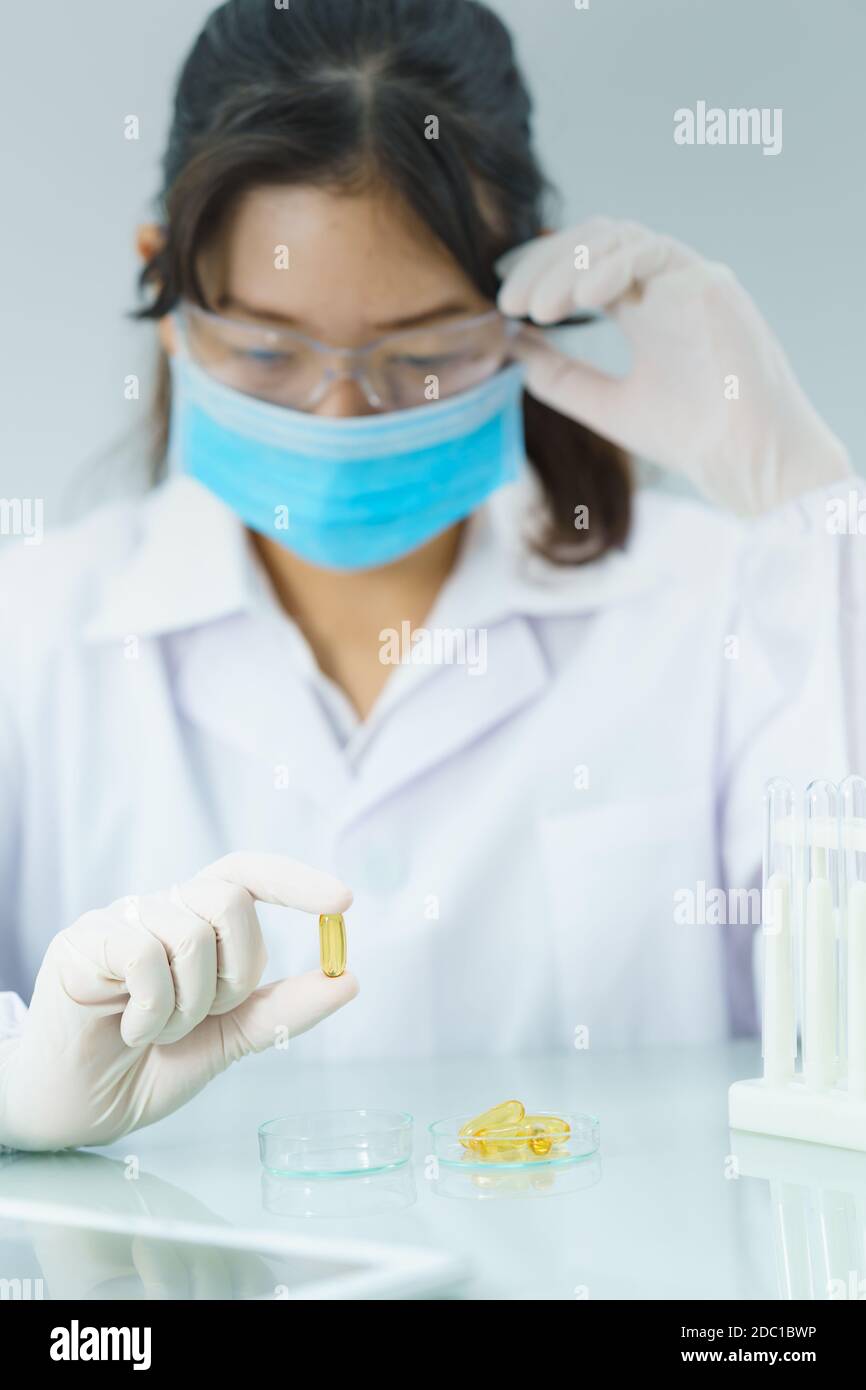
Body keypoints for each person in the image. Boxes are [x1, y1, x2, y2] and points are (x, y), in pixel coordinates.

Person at [0, 0, 858, 1152]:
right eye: (266, 350)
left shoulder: (719, 606)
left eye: (422, 356)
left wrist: (807, 502)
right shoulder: (33, 629)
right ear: (165, 291)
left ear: (522, 306)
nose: (342, 409)